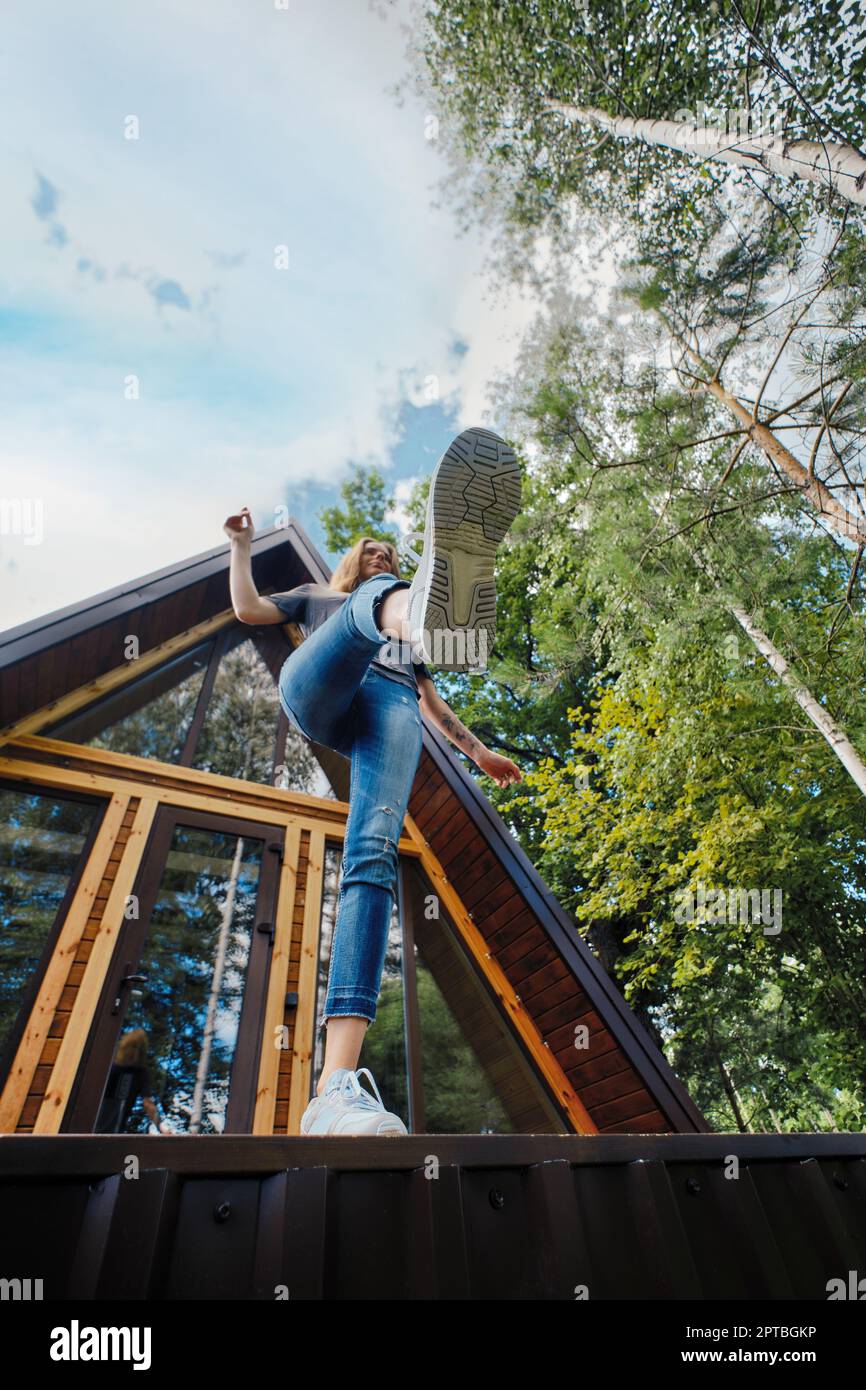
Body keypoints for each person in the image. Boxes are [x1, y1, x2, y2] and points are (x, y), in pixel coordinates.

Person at [223, 427, 523, 1135]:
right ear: (353, 564)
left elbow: (432, 706)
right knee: (373, 616)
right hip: (322, 685)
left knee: (373, 860)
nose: (381, 556)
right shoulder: (317, 600)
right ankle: (412, 612)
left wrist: (479, 755)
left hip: (389, 700)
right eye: (373, 556)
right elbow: (247, 610)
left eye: (391, 557)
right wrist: (239, 548)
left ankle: (334, 1090)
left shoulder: (406, 649)